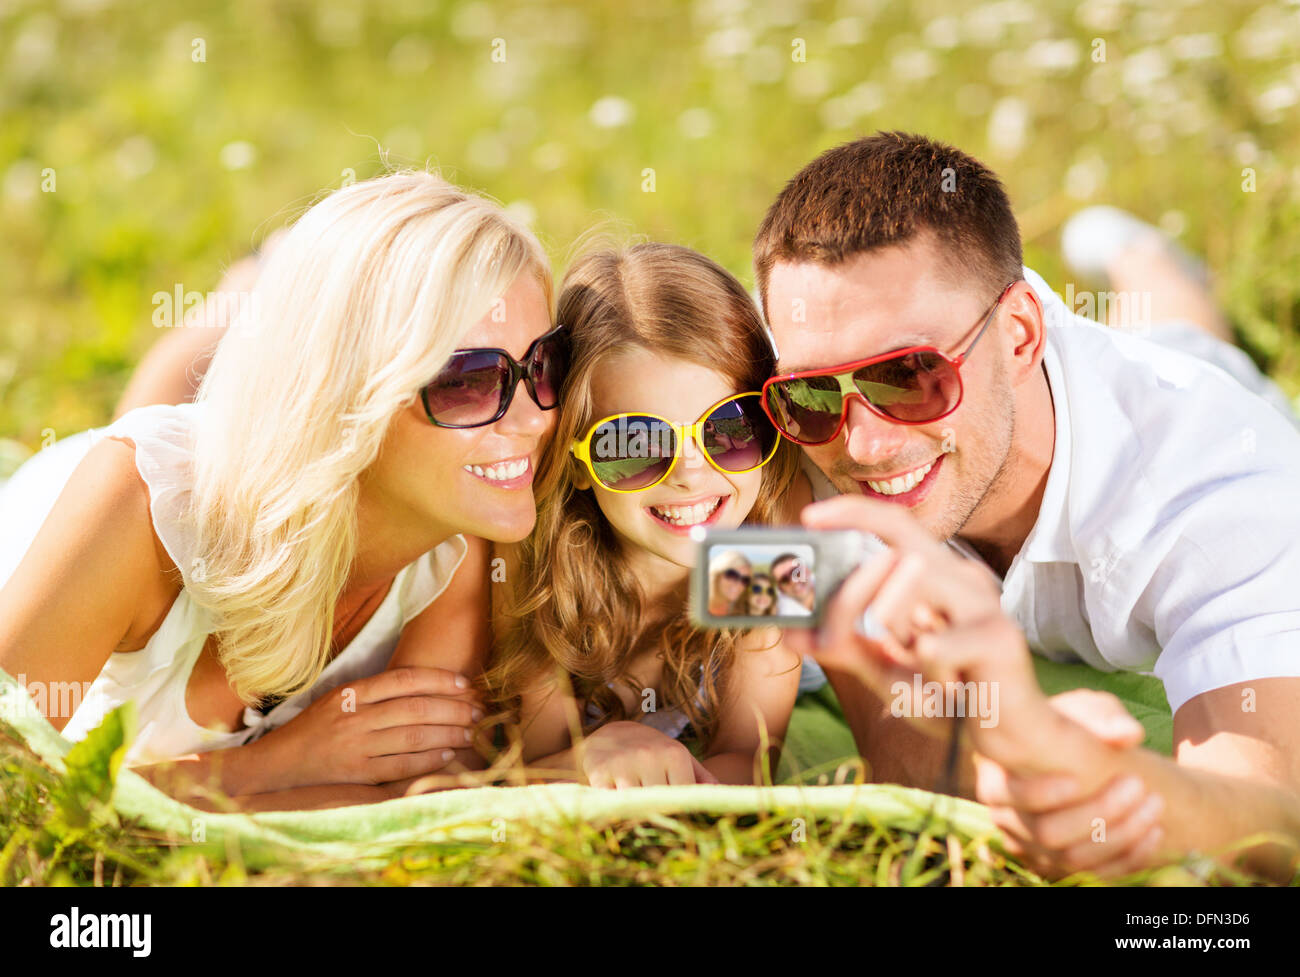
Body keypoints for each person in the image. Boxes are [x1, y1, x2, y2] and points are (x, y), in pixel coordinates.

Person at [752, 131, 1300, 879]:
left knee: (1187, 340)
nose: (863, 444)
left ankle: (1147, 260)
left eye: (909, 375)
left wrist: (1093, 784)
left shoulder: (1222, 482)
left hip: (1178, 390)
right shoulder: (777, 430)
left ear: (1020, 333)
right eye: (814, 392)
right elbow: (897, 751)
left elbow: (1270, 818)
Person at [0, 171, 564, 811]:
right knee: (157, 410)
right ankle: (246, 291)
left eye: (545, 364)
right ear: (353, 395)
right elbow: (17, 798)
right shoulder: (134, 499)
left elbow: (416, 794)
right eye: (469, 380)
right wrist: (276, 765)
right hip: (66, 503)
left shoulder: (460, 529)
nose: (534, 417)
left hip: (273, 458)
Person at [483, 243, 805, 788]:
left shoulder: (768, 540)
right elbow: (534, 766)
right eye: (634, 442)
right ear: (577, 458)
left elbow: (749, 762)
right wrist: (589, 763)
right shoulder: (535, 553)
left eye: (730, 429)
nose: (690, 475)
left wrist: (671, 771)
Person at [707, 551, 752, 616]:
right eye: (732, 575)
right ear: (717, 575)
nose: (738, 584)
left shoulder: (739, 610)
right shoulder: (697, 605)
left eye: (745, 580)